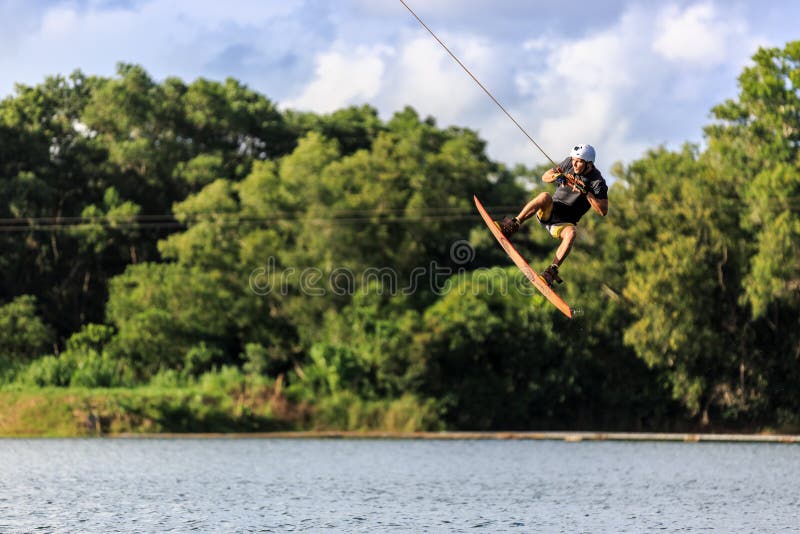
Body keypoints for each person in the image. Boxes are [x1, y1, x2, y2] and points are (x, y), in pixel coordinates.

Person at [495, 144, 608, 286]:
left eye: (578, 161)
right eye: (573, 159)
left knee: (572, 232)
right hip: (550, 211)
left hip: (563, 224)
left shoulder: (598, 182)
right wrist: (557, 176)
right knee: (544, 196)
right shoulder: (568, 162)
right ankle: (513, 225)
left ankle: (551, 272)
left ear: (589, 164)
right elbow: (545, 176)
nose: (574, 163)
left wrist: (586, 192)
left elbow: (603, 210)